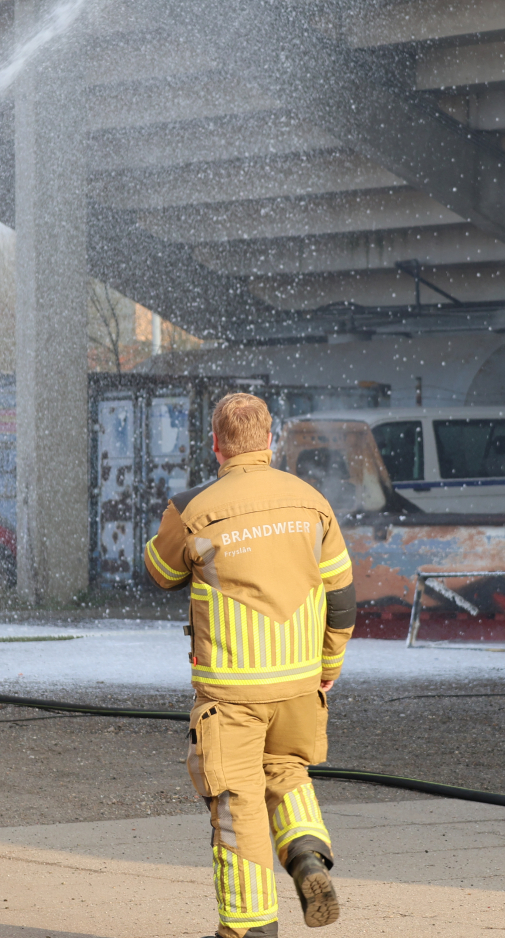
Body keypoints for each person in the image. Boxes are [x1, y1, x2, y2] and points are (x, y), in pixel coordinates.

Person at [144, 392, 356, 938]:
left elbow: (159, 571)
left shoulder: (195, 508)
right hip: (299, 686)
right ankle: (308, 854)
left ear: (216, 445)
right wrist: (329, 663)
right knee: (286, 773)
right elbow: (343, 597)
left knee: (237, 806)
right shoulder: (312, 501)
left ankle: (249, 929)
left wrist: (184, 518)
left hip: (232, 694)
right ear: (270, 439)